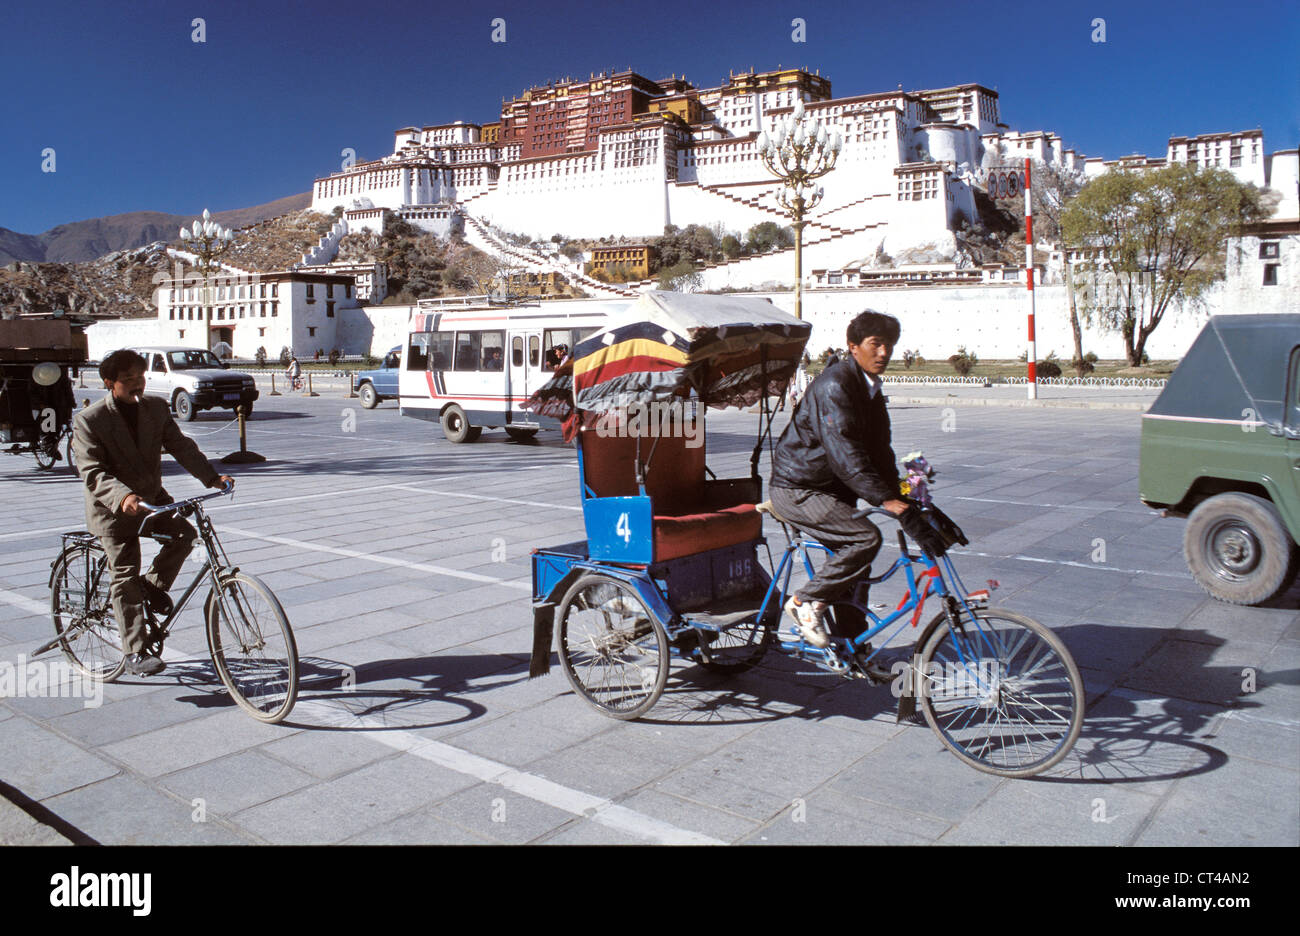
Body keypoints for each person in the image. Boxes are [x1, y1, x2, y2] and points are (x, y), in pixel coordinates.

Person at [770, 310, 948, 649]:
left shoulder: (870, 390)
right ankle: (803, 602)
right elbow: (845, 452)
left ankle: (850, 642)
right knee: (864, 539)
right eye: (875, 344)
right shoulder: (835, 385)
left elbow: (880, 451)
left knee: (857, 567)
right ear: (853, 347)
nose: (884, 353)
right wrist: (885, 500)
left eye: (890, 345)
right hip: (799, 487)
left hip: (833, 489)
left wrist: (902, 491)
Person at [72, 349, 234, 676]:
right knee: (124, 575)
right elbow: (92, 472)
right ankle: (134, 651)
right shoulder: (90, 420)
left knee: (184, 535)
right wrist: (123, 496)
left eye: (141, 377)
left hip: (151, 501)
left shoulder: (156, 409)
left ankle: (152, 586)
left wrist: (212, 477)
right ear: (109, 382)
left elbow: (181, 446)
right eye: (128, 379)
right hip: (114, 511)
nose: (137, 385)